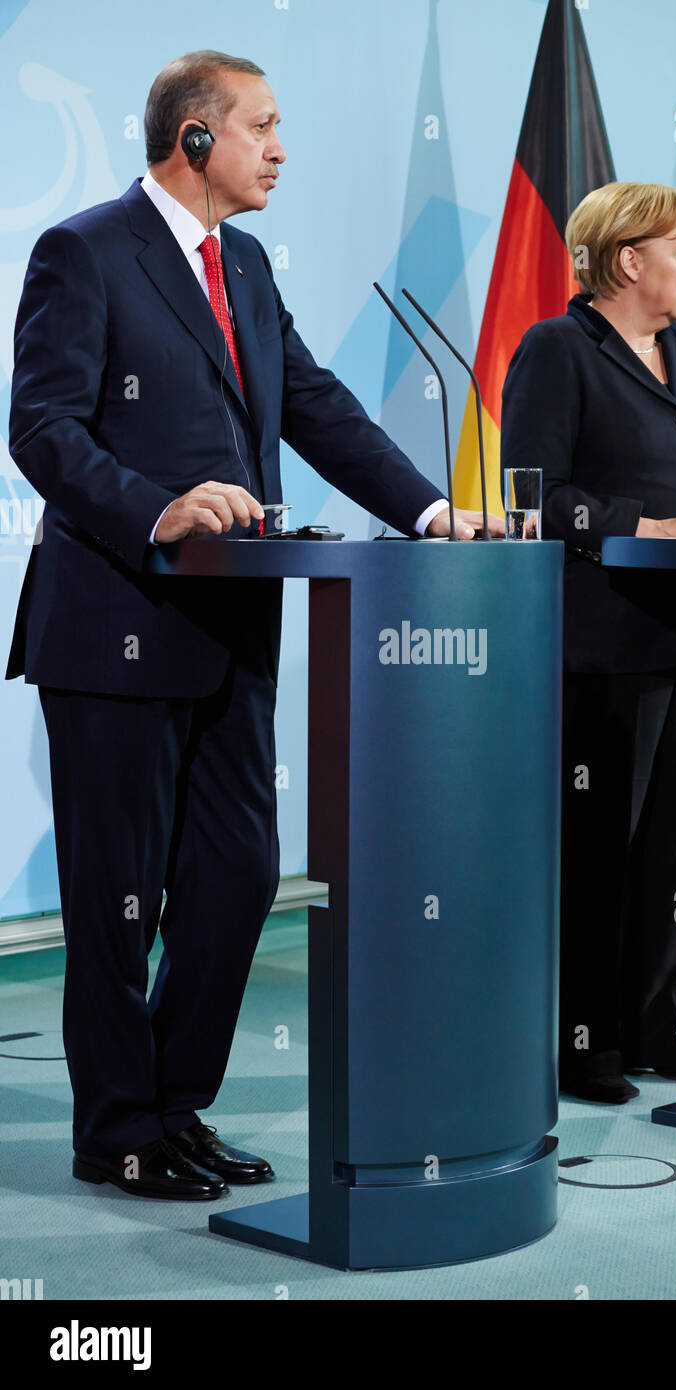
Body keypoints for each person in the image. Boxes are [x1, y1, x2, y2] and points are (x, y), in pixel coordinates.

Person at [6, 50, 498, 1199]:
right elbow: (42, 427)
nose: (280, 150)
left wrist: (430, 510)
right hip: (117, 626)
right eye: (262, 128)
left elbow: (316, 403)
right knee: (117, 900)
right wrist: (156, 508)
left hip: (232, 630)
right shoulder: (84, 250)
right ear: (192, 140)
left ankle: (176, 1110)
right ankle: (118, 1128)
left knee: (234, 877)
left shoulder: (248, 264)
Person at [501, 181, 676, 1104]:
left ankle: (655, 1028)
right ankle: (588, 1046)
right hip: (605, 644)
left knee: (671, 847)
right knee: (602, 848)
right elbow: (535, 496)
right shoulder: (555, 350)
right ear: (628, 262)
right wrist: (657, 525)